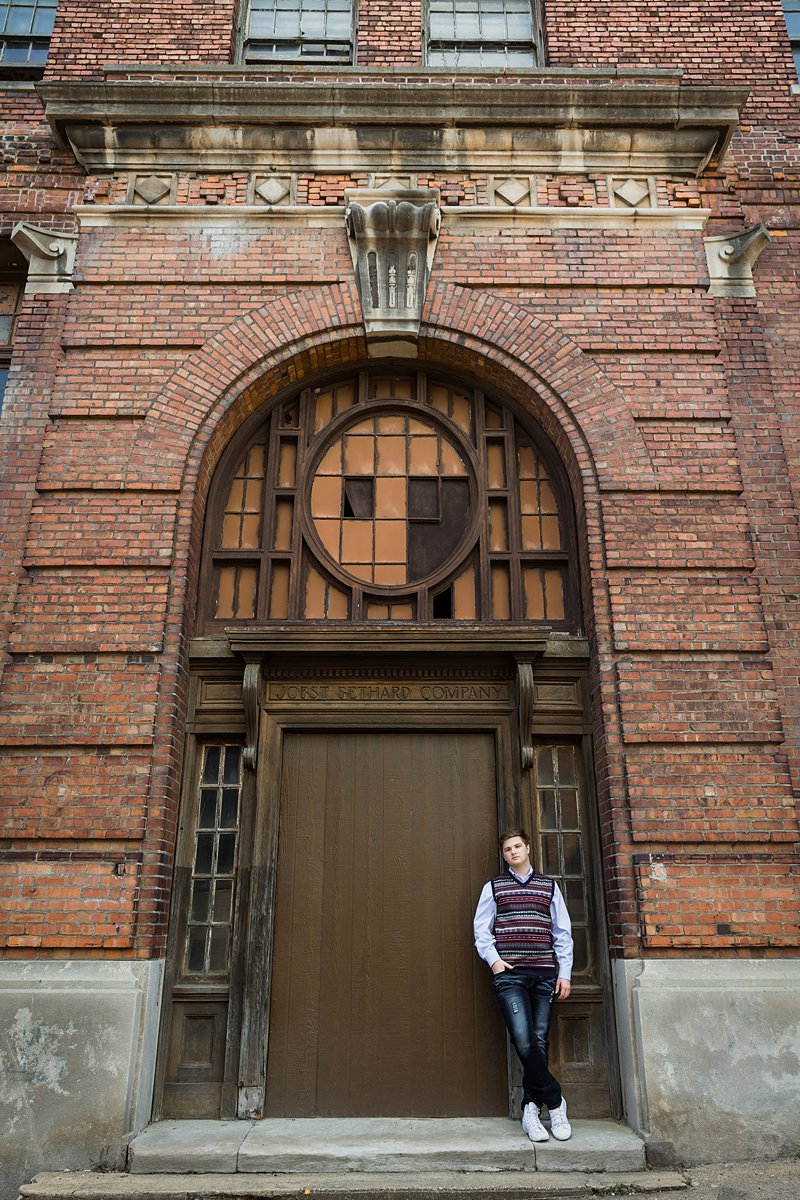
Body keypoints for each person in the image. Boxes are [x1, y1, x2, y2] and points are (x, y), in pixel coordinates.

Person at [473, 827, 574, 1143]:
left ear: (528, 848)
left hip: (544, 974)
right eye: (507, 849)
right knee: (524, 1039)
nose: (513, 852)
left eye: (517, 846)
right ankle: (556, 1100)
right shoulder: (495, 887)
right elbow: (482, 930)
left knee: (540, 1041)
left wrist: (565, 972)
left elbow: (562, 932)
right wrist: (494, 961)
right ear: (504, 855)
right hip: (510, 977)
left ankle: (531, 1108)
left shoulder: (548, 887)